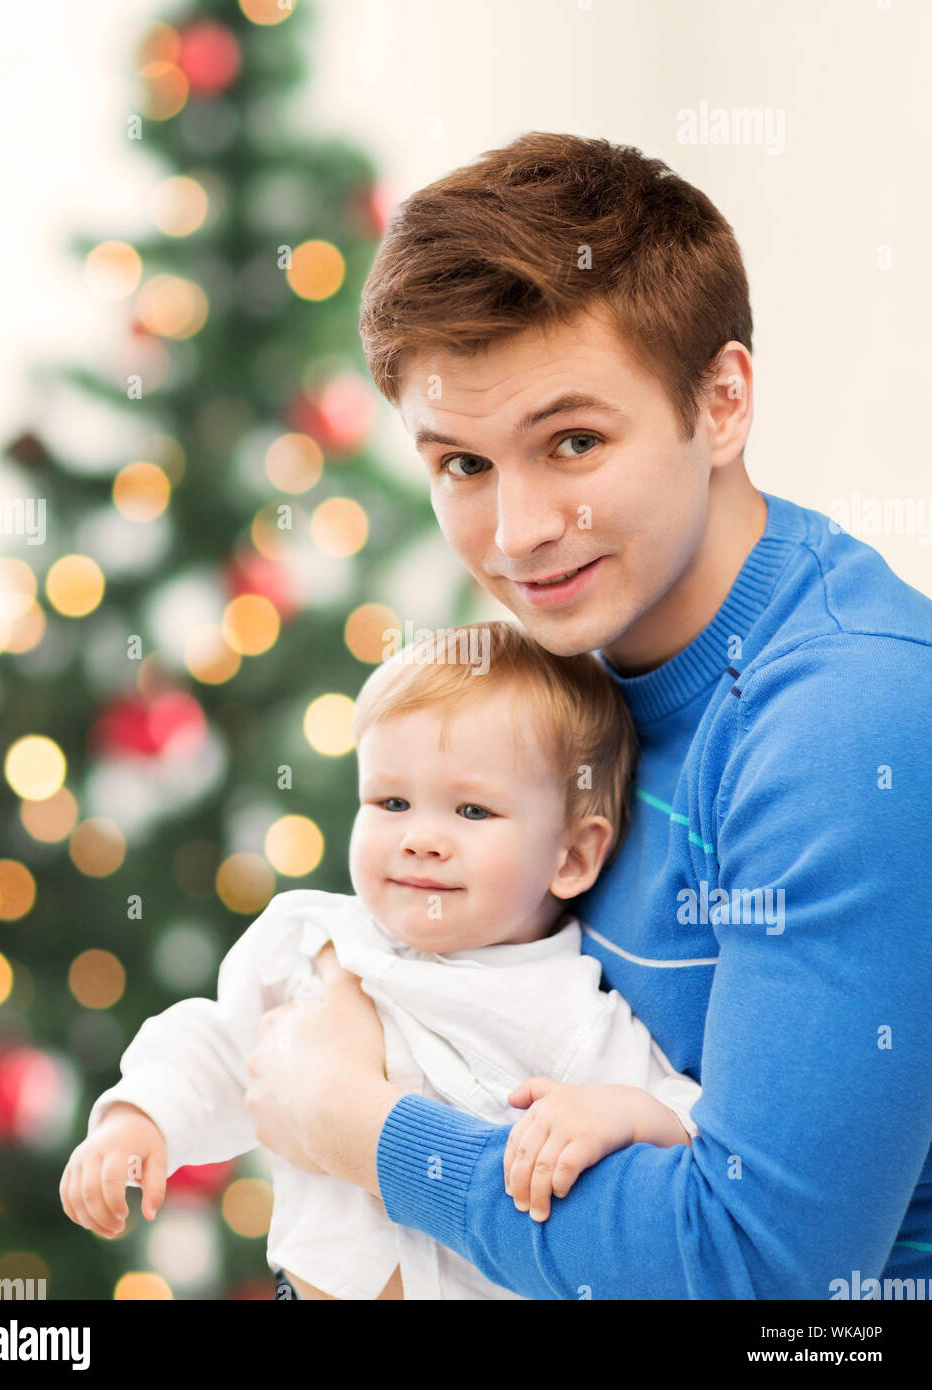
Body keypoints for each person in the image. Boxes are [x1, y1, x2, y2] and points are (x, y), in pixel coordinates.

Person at [238, 132, 932, 1300]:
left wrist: (364, 1129)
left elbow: (763, 1277)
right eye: (461, 463)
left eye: (574, 442)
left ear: (721, 401)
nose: (518, 532)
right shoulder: (559, 671)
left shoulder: (849, 722)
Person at [62, 622, 704, 1300]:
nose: (421, 839)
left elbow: (693, 1136)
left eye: (472, 809)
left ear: (571, 856)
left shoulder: (567, 1009)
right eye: (391, 802)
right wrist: (139, 1116)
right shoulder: (321, 940)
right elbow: (225, 1047)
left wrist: (621, 1114)